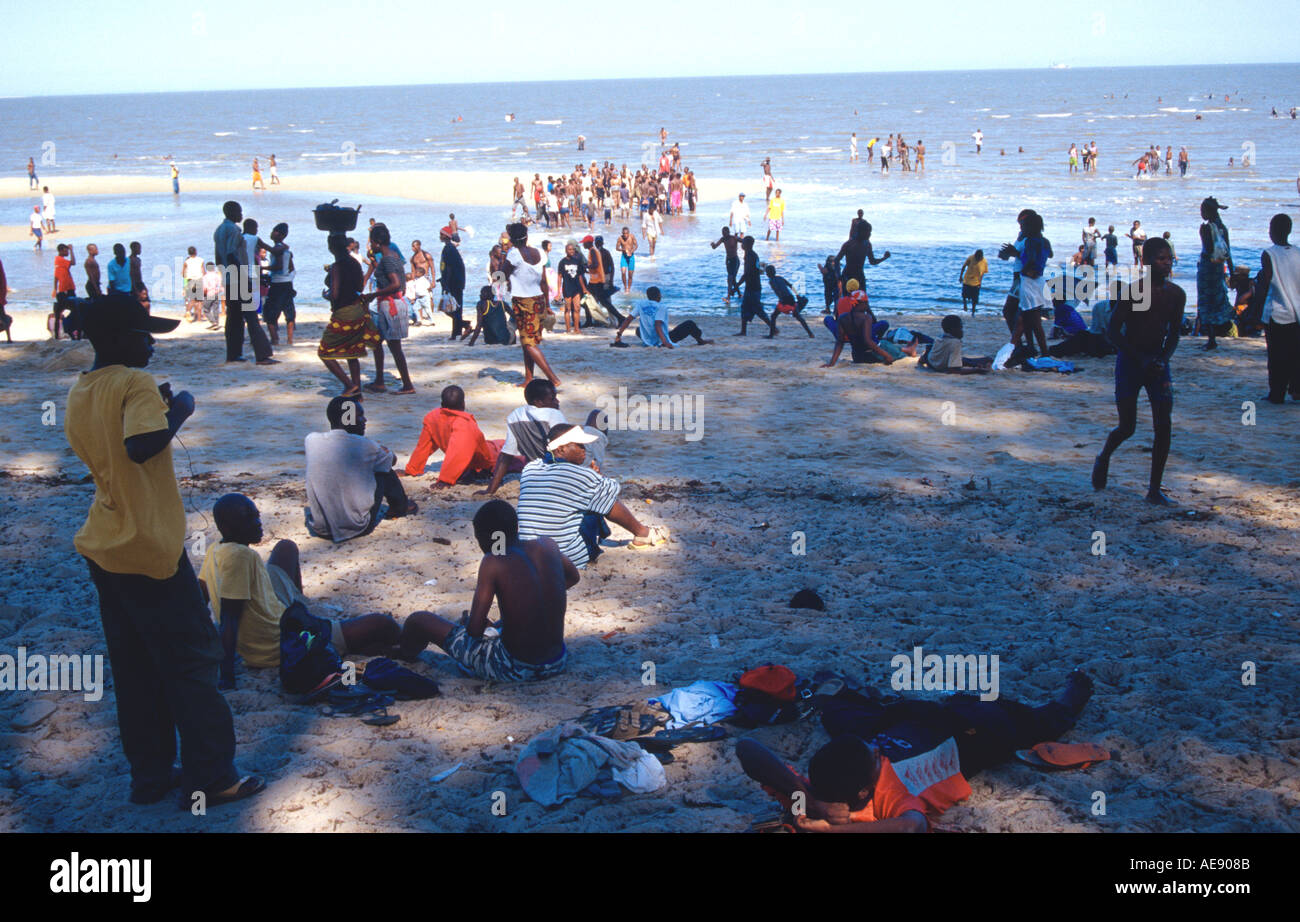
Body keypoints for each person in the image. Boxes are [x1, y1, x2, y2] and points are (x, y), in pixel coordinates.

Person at [64, 293, 264, 808]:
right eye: (144, 334)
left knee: (135, 668)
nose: (153, 343)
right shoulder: (135, 383)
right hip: (148, 549)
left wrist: (158, 411)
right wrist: (179, 411)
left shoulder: (83, 389)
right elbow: (139, 447)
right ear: (116, 338)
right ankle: (213, 778)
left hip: (104, 544)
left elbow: (113, 447)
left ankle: (150, 777)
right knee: (192, 661)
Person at [736, 671, 1092, 833]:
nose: (878, 754)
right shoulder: (890, 795)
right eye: (874, 758)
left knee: (842, 716)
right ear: (864, 790)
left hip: (903, 722)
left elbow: (746, 748)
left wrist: (811, 802)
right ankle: (1071, 700)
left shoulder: (822, 788)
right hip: (965, 739)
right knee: (1019, 722)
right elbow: (913, 825)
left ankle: (861, 698)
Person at [199, 494, 400, 688]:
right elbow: (229, 618)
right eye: (249, 518)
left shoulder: (215, 549)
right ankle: (320, 628)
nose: (258, 522)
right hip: (279, 642)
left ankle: (302, 608)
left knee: (286, 547)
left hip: (274, 609)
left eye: (257, 515)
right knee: (383, 624)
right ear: (226, 526)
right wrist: (226, 675)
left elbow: (202, 593)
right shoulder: (241, 557)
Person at [397, 500, 577, 682]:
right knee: (502, 624)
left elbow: (474, 631)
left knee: (419, 620)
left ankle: (403, 654)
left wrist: (474, 623)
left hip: (514, 667)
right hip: (557, 661)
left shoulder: (494, 560)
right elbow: (573, 577)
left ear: (491, 537)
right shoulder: (547, 545)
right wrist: (540, 599)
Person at [1092, 237, 1185, 505]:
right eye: (1160, 258)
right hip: (1131, 363)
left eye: (1169, 258)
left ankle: (1154, 489)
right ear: (1145, 262)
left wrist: (1163, 359)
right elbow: (1113, 332)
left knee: (1164, 425)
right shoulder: (1134, 292)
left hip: (1157, 364)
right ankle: (1104, 456)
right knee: (1127, 426)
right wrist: (1140, 358)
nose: (1166, 263)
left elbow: (1175, 335)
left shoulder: (1176, 294)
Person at [516, 424, 665, 568]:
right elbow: (613, 490)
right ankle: (642, 533)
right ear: (561, 449)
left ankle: (638, 533)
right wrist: (596, 476)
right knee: (602, 500)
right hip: (566, 559)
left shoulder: (530, 468)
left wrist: (590, 479)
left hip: (528, 554)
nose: (585, 450)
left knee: (589, 498)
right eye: (579, 445)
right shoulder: (581, 475)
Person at [305, 395, 418, 542]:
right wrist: (380, 448)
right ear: (347, 418)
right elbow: (392, 460)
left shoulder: (311, 440)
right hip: (355, 527)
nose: (365, 420)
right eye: (360, 417)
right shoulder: (366, 446)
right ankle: (399, 507)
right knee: (383, 470)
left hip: (321, 528)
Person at [479, 379, 606, 496]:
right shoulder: (553, 414)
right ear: (538, 402)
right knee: (597, 415)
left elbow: (506, 456)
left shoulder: (515, 416)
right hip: (568, 466)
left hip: (539, 471)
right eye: (553, 399)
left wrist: (490, 490)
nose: (557, 401)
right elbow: (566, 448)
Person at [319, 233, 383, 396]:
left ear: (332, 248)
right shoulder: (354, 263)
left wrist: (326, 295)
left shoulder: (337, 266)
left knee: (324, 352)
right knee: (351, 353)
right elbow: (360, 287)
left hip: (344, 313)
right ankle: (358, 394)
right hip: (358, 310)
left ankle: (349, 385)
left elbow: (334, 294)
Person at [403, 385, 504, 487]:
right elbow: (457, 453)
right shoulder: (464, 424)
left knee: (502, 445)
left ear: (442, 404)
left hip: (483, 455)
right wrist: (445, 480)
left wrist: (412, 469)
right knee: (510, 452)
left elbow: (423, 447)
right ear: (463, 404)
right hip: (486, 460)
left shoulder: (432, 417)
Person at [501, 222, 561, 387]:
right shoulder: (540, 253)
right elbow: (543, 281)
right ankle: (528, 379)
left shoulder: (513, 255)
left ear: (512, 240)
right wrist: (547, 304)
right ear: (526, 237)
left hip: (523, 301)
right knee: (528, 341)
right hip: (539, 300)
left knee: (528, 343)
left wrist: (501, 259)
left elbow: (501, 275)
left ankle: (553, 378)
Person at [214, 201, 274, 365]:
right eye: (239, 211)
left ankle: (233, 354)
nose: (241, 215)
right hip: (238, 279)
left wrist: (225, 274)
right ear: (232, 212)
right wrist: (241, 276)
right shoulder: (234, 230)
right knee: (251, 317)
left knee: (233, 318)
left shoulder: (219, 231)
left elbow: (219, 258)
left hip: (228, 279)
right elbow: (232, 254)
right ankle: (262, 355)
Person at [1250, 213, 1300, 404]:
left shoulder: (1269, 254)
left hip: (1277, 312)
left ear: (1272, 231)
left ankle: (1277, 393)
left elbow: (1265, 285)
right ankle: (1296, 390)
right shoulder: (1297, 252)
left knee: (1277, 355)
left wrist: (1256, 314)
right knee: (1296, 353)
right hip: (1297, 312)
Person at [364, 223, 415, 394]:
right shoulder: (394, 256)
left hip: (389, 304)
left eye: (371, 242)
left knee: (394, 347)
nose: (370, 245)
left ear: (377, 243)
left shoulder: (386, 260)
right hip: (392, 303)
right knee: (377, 342)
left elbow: (395, 284)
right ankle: (379, 381)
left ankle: (407, 385)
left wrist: (372, 296)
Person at [822, 280, 897, 367]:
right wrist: (886, 355)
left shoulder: (842, 309)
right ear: (861, 303)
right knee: (889, 344)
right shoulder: (865, 318)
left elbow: (839, 342)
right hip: (869, 354)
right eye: (866, 303)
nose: (867, 305)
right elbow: (868, 341)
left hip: (855, 353)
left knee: (828, 319)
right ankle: (907, 350)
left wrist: (831, 363)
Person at [613, 285, 713, 348]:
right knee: (690, 324)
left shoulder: (640, 304)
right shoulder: (661, 307)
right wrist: (665, 342)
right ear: (659, 296)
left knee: (638, 330)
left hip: (648, 338)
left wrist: (619, 335)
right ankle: (700, 341)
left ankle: (655, 340)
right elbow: (657, 325)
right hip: (661, 338)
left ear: (648, 296)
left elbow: (628, 319)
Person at [1196, 197, 1234, 350]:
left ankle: (1211, 339)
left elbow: (1208, 250)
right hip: (1219, 268)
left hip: (1208, 268)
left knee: (1206, 302)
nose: (1201, 213)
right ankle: (1219, 332)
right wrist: (1232, 271)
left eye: (1202, 210)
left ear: (1207, 211)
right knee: (1218, 300)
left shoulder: (1206, 228)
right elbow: (1227, 251)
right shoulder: (1222, 227)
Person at [259, 223, 296, 346]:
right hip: (287, 283)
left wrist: (264, 267)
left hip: (278, 284)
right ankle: (290, 340)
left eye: (273, 231)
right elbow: (291, 267)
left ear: (278, 234)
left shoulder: (278, 249)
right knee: (289, 311)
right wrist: (289, 277)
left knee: (269, 313)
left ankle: (275, 339)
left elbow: (278, 265)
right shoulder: (286, 250)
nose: (271, 233)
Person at [920, 315, 992, 373]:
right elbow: (954, 369)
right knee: (988, 359)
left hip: (932, 362)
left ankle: (980, 364)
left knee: (965, 360)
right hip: (941, 366)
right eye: (960, 328)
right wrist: (976, 370)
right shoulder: (955, 342)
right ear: (953, 329)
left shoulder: (940, 337)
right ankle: (982, 365)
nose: (962, 331)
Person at [835, 219, 890, 292]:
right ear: (860, 232)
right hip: (847, 276)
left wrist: (884, 258)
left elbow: (872, 261)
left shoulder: (867, 244)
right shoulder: (849, 244)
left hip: (860, 277)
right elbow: (837, 260)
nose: (869, 234)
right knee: (849, 300)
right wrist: (839, 276)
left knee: (862, 301)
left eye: (870, 232)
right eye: (867, 232)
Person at [736, 235, 776, 337]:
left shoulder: (750, 256)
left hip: (753, 287)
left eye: (744, 243)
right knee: (746, 307)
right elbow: (756, 271)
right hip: (753, 286)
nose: (742, 244)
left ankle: (773, 328)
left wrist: (737, 285)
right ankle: (743, 331)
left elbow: (747, 274)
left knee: (757, 309)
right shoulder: (752, 255)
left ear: (748, 245)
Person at [764, 265, 813, 337]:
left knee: (773, 316)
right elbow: (790, 286)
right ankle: (810, 333)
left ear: (768, 274)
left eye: (767, 272)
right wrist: (797, 295)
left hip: (784, 300)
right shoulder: (780, 278)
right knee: (798, 316)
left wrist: (781, 302)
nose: (766, 274)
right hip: (791, 298)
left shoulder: (771, 281)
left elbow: (778, 291)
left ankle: (771, 335)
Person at [438, 225, 468, 340]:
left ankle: (463, 327)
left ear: (445, 236)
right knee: (454, 308)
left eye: (441, 234)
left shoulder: (449, 249)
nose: (439, 236)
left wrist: (447, 283)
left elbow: (450, 268)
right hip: (454, 281)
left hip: (453, 282)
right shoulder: (449, 248)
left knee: (451, 308)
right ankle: (457, 331)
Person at [557, 241, 588, 334]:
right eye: (569, 250)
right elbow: (559, 277)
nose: (571, 251)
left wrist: (584, 288)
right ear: (566, 251)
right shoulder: (562, 262)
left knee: (577, 308)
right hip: (567, 287)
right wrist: (558, 292)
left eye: (573, 249)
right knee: (567, 309)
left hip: (576, 287)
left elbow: (580, 276)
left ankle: (577, 329)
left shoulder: (577, 261)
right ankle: (568, 329)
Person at [51, 243, 77, 340]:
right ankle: (70, 332)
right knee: (75, 310)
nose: (67, 252)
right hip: (66, 290)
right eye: (66, 251)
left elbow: (55, 276)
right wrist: (71, 250)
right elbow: (73, 262)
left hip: (64, 289)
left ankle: (59, 335)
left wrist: (54, 288)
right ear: (61, 250)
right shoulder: (60, 260)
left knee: (59, 313)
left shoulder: (57, 261)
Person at [710, 227, 742, 300]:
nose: (723, 234)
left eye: (724, 233)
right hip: (728, 260)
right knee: (732, 279)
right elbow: (715, 247)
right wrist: (712, 244)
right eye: (722, 233)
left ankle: (728, 297)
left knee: (730, 278)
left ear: (728, 232)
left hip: (735, 260)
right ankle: (739, 294)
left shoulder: (734, 238)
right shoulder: (723, 239)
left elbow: (744, 241)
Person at [959, 249, 988, 314]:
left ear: (981, 257)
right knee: (964, 294)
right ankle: (965, 305)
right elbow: (963, 266)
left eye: (978, 258)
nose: (977, 259)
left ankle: (973, 310)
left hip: (976, 282)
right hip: (967, 280)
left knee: (975, 297)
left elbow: (982, 273)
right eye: (976, 257)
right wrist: (960, 276)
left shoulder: (984, 261)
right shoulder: (971, 258)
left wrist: (980, 282)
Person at [182, 246, 204, 322]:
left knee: (192, 300)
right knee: (200, 301)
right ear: (196, 252)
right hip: (198, 280)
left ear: (189, 253)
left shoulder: (186, 262)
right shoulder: (201, 260)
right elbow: (203, 272)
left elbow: (183, 273)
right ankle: (199, 320)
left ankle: (188, 311)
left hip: (190, 281)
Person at [615, 225, 638, 295]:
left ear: (628, 233)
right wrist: (623, 250)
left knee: (630, 274)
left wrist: (632, 251)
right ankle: (625, 287)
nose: (625, 235)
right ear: (622, 233)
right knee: (623, 272)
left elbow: (636, 245)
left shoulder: (632, 237)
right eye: (624, 234)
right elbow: (617, 248)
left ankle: (629, 288)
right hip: (624, 257)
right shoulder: (620, 238)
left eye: (626, 233)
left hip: (631, 257)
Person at [201, 262, 223, 329]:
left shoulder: (205, 277)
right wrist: (218, 291)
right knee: (216, 309)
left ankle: (213, 322)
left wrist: (203, 294)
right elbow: (221, 285)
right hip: (216, 293)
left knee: (206, 309)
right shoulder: (217, 276)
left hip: (209, 294)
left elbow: (205, 288)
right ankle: (216, 322)